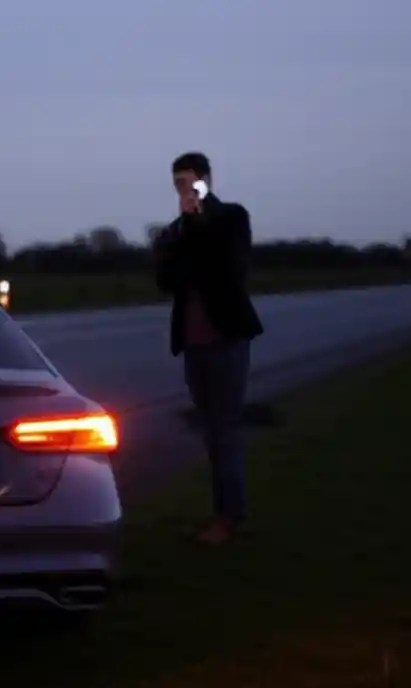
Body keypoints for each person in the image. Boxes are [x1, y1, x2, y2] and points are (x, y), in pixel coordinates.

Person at [152, 152, 264, 544]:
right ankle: (224, 512)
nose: (186, 190)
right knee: (211, 431)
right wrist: (180, 235)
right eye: (179, 184)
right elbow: (167, 279)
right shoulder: (176, 230)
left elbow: (229, 268)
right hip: (193, 343)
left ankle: (228, 518)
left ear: (208, 180)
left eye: (191, 182)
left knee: (223, 431)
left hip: (227, 339)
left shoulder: (231, 218)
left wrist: (196, 224)